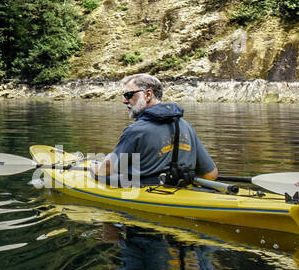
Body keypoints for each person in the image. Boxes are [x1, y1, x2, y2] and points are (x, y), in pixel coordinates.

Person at [88, 73, 217, 187]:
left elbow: (108, 168)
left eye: (129, 95)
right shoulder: (185, 125)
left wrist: (95, 168)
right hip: (181, 187)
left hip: (147, 191)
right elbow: (211, 174)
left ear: (148, 94)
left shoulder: (134, 130)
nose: (124, 100)